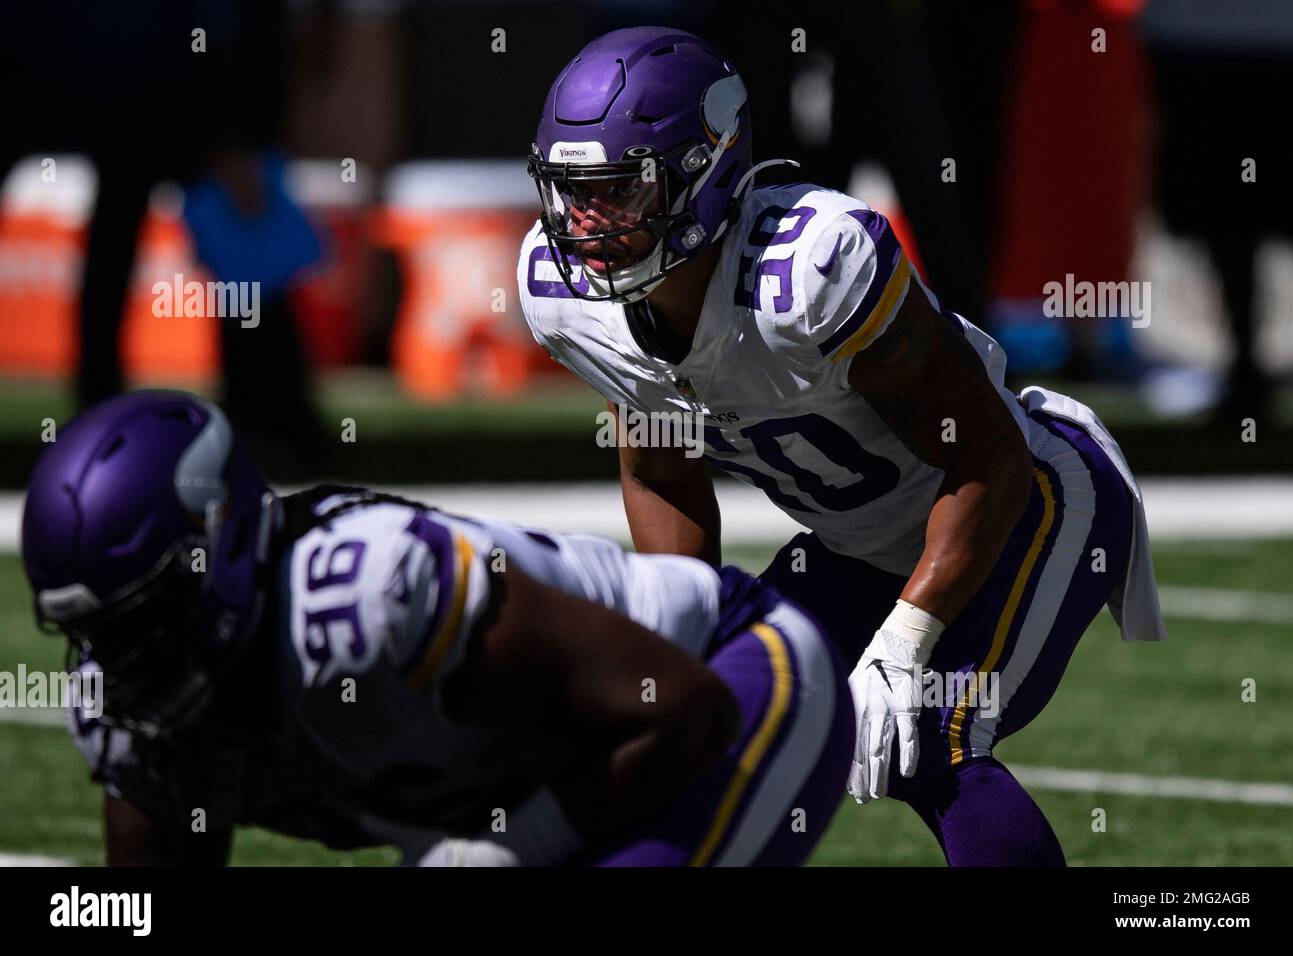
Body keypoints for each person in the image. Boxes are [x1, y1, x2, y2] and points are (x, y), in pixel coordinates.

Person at [519, 26, 1166, 866]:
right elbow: (663, 473)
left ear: (703, 175)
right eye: (571, 193)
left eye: (617, 193)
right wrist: (689, 636)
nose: (585, 224)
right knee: (715, 723)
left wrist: (903, 642)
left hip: (1033, 500)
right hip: (862, 544)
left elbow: (988, 457)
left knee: (925, 734)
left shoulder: (812, 267)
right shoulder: (567, 298)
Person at [21, 390, 853, 866]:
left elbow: (684, 708)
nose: (128, 663)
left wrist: (512, 849)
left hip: (738, 680)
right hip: (562, 772)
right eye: (103, 635)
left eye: (149, 621)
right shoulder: (131, 717)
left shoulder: (364, 600)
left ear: (224, 541)